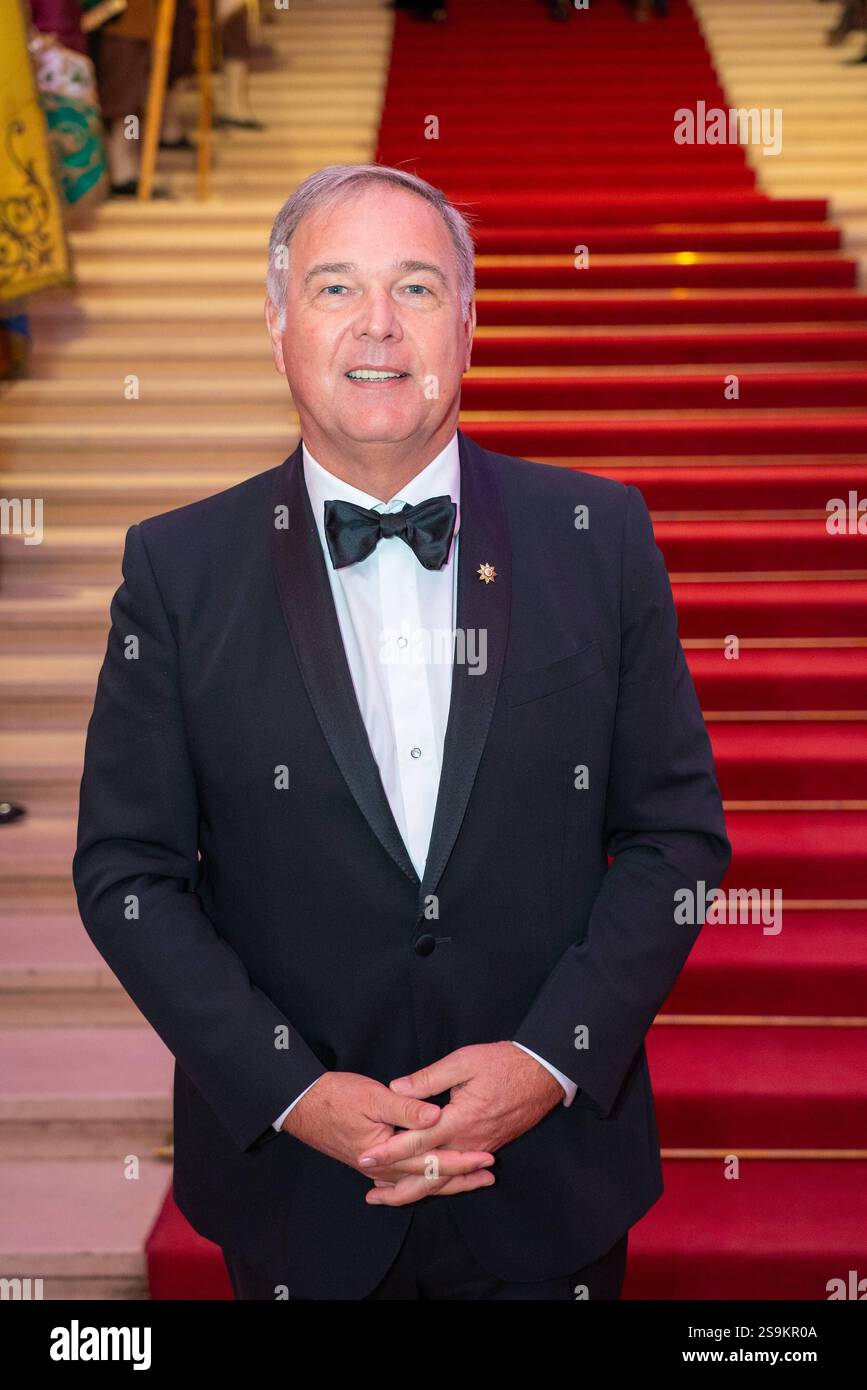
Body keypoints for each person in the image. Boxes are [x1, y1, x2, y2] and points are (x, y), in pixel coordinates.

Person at [73, 163, 731, 1301]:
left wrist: (548, 1061)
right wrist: (293, 1092)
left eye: (418, 288)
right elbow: (128, 873)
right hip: (296, 1193)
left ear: (468, 327)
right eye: (336, 287)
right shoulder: (177, 572)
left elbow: (677, 838)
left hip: (552, 1183)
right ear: (279, 325)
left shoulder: (600, 535)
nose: (379, 323)